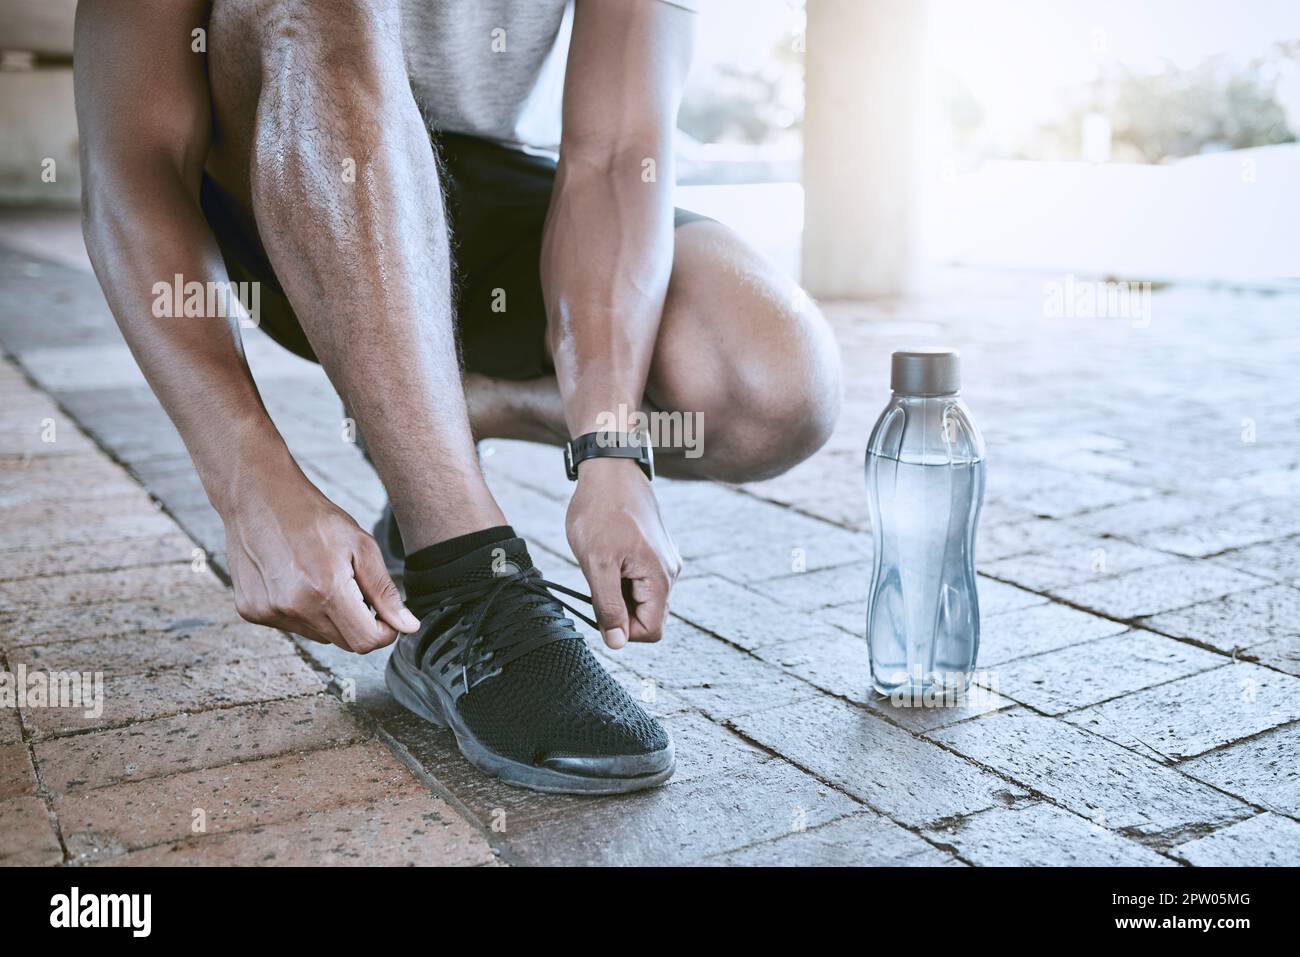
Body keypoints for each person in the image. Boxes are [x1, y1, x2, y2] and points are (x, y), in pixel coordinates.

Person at [74, 0, 842, 793]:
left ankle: (429, 424)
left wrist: (610, 446)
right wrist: (246, 477)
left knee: (774, 381)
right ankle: (464, 574)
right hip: (286, 175)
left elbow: (615, 155)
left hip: (484, 188)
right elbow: (134, 157)